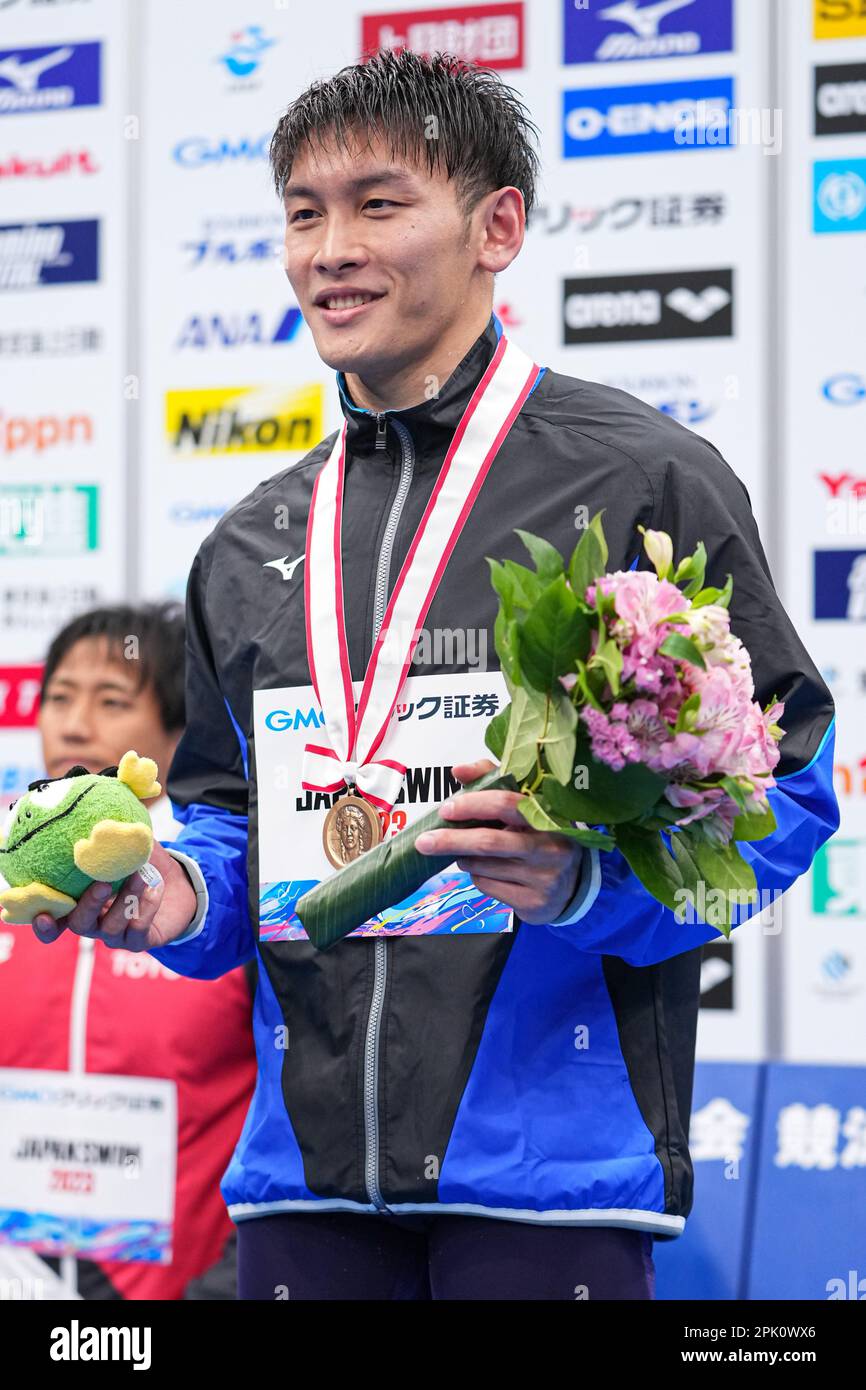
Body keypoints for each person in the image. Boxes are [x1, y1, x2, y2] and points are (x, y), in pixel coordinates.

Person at [32, 51, 839, 1301]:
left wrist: (579, 884)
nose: (329, 248)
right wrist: (172, 893)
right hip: (301, 1185)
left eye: (377, 202)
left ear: (495, 225)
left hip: (545, 1184)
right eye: (303, 212)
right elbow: (229, 823)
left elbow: (778, 802)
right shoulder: (248, 541)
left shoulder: (641, 479)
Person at [3, 604, 256, 1299]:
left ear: (180, 736)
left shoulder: (216, 896)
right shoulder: (7, 885)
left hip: (185, 1288)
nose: (74, 724)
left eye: (112, 701)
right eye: (58, 697)